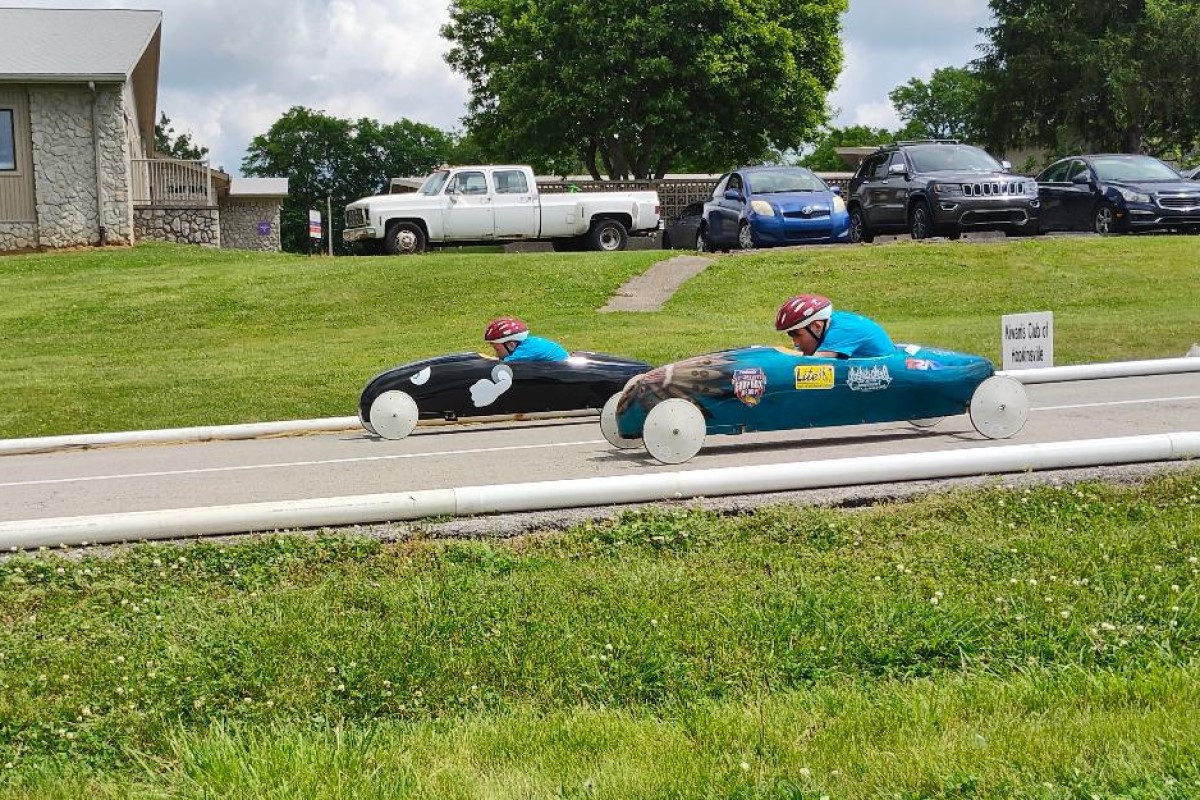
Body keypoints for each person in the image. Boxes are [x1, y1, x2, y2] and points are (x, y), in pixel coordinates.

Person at [774, 294, 894, 358]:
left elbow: (811, 365)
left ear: (817, 326)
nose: (795, 342)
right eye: (790, 334)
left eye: (796, 334)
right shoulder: (832, 321)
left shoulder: (841, 332)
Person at [483, 316, 570, 362]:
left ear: (511, 345)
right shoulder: (529, 343)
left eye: (497, 349)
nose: (496, 354)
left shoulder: (524, 351)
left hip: (561, 370)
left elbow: (501, 365)